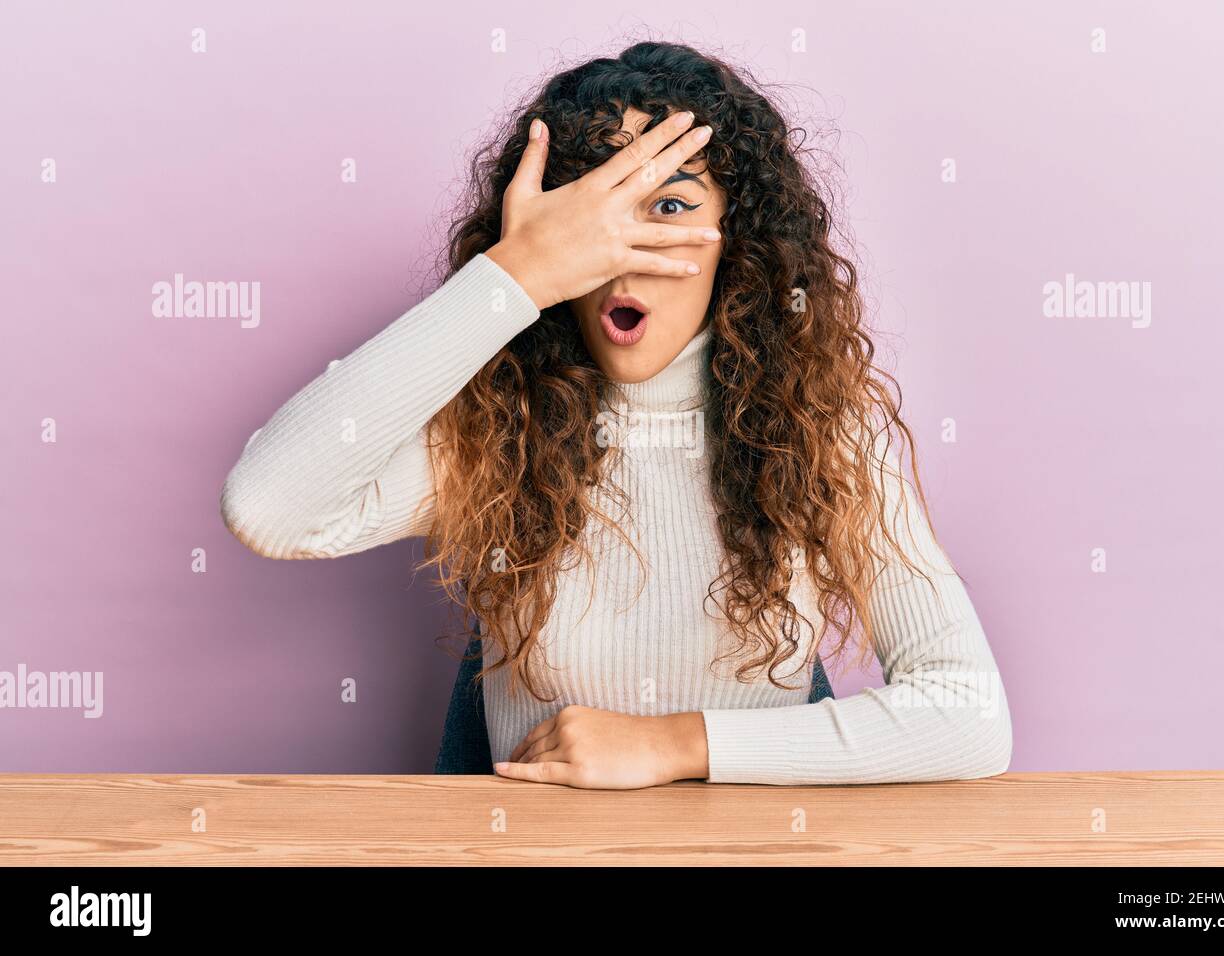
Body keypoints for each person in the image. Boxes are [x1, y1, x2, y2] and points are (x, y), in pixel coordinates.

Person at [220, 40, 1013, 789]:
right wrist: (519, 272)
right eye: (590, 212)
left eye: (668, 205)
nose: (623, 250)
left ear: (738, 241)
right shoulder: (499, 422)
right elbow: (269, 508)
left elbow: (969, 715)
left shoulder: (825, 432)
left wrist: (674, 745)